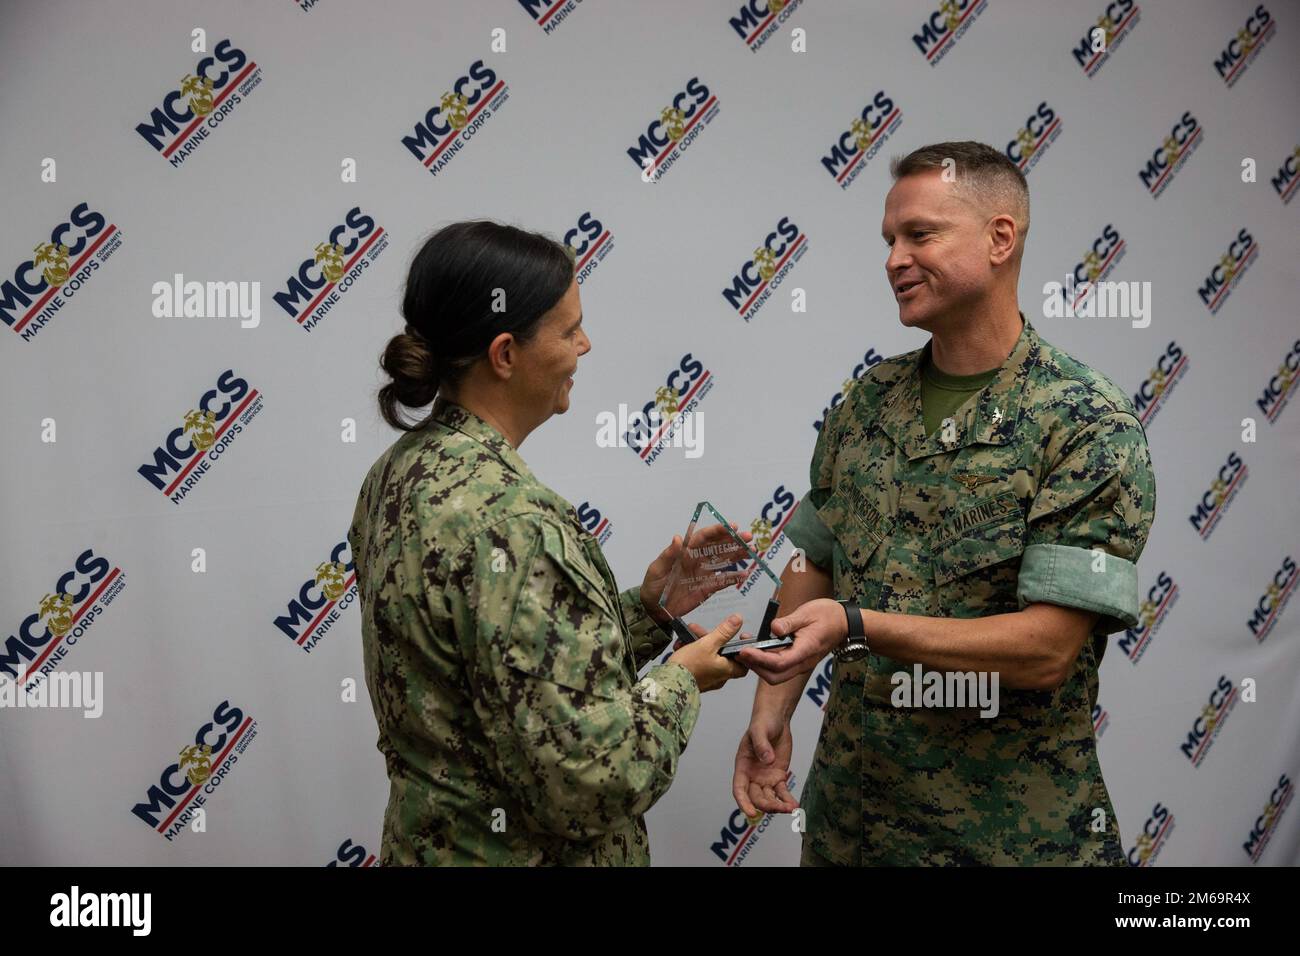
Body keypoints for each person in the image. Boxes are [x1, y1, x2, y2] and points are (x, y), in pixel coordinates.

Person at [731, 142, 1157, 865]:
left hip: (1005, 840)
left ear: (1000, 238)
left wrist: (857, 625)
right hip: (854, 827)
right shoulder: (869, 400)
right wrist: (771, 710)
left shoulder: (1083, 421)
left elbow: (1046, 651)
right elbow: (815, 557)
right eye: (890, 240)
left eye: (919, 236)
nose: (894, 258)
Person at [348, 220, 747, 866]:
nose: (585, 345)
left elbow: (497, 666)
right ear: (505, 354)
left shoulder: (395, 475)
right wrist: (681, 680)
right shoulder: (514, 518)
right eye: (569, 330)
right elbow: (592, 779)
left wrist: (647, 611)